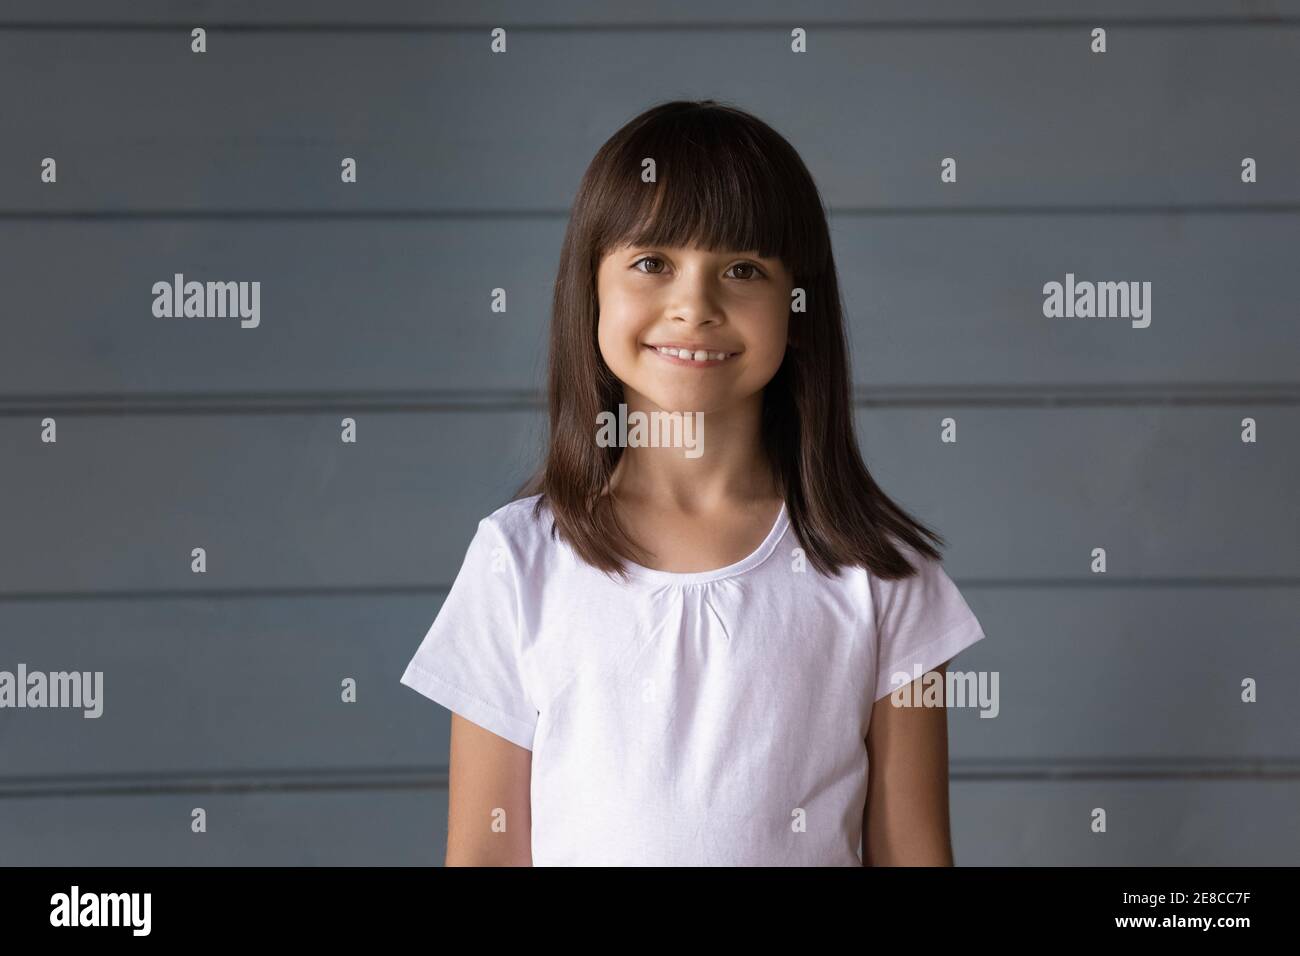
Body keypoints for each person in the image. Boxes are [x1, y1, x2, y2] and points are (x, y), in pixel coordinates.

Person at [400, 99, 987, 866]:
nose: (694, 307)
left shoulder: (883, 573)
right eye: (652, 263)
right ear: (591, 290)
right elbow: (485, 852)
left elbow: (913, 852)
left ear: (797, 307)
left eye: (742, 270)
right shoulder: (515, 562)